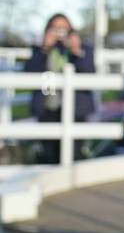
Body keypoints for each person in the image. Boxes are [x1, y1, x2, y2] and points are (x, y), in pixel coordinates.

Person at [23, 13, 97, 163]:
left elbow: (89, 74)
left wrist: (77, 51)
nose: (59, 32)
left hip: (76, 109)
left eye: (63, 29)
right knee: (48, 155)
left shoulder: (84, 49)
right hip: (48, 108)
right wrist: (44, 49)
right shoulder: (40, 50)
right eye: (55, 28)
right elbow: (29, 74)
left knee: (75, 154)